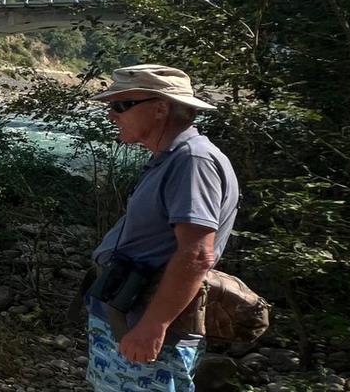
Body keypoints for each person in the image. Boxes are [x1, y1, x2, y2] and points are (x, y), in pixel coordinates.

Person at [85, 65, 239, 391]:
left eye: (121, 105)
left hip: (147, 323)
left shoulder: (193, 161)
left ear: (160, 109)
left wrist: (153, 326)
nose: (111, 115)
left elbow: (196, 254)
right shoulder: (170, 158)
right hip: (127, 311)